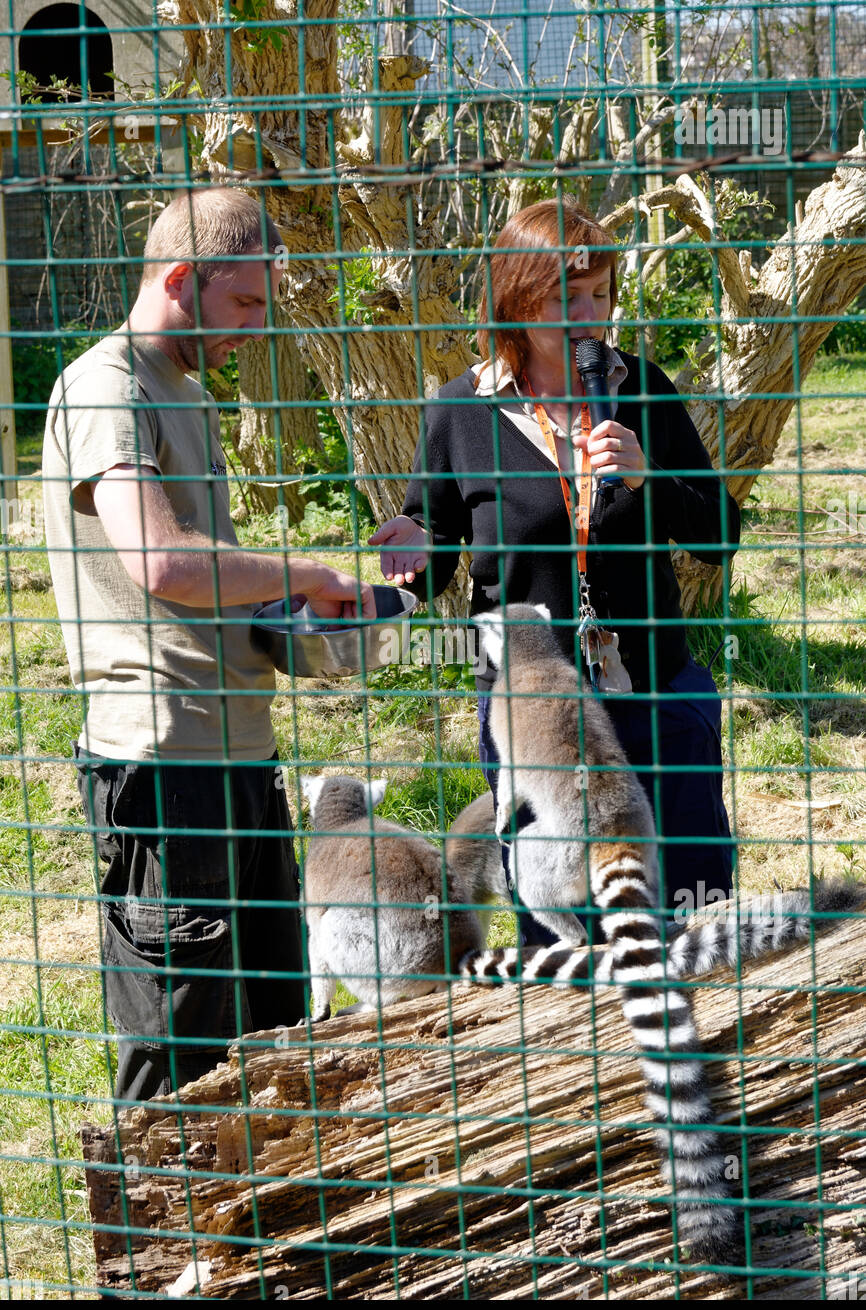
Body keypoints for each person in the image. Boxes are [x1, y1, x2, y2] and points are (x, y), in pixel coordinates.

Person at [42, 188, 374, 1102]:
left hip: (238, 759)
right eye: (246, 305)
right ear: (182, 279)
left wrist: (287, 632)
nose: (256, 329)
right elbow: (159, 560)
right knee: (178, 1050)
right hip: (162, 770)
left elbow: (205, 584)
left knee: (268, 1029)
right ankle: (148, 1244)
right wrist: (305, 574)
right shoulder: (107, 385)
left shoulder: (183, 388)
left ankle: (256, 1239)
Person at [372, 197, 741, 943]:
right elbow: (438, 552)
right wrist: (413, 552)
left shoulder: (642, 389)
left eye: (600, 292)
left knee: (691, 911)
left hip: (653, 692)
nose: (588, 313)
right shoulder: (459, 411)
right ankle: (573, 1048)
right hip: (530, 715)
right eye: (565, 294)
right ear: (515, 297)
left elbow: (719, 537)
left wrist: (650, 479)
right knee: (563, 920)